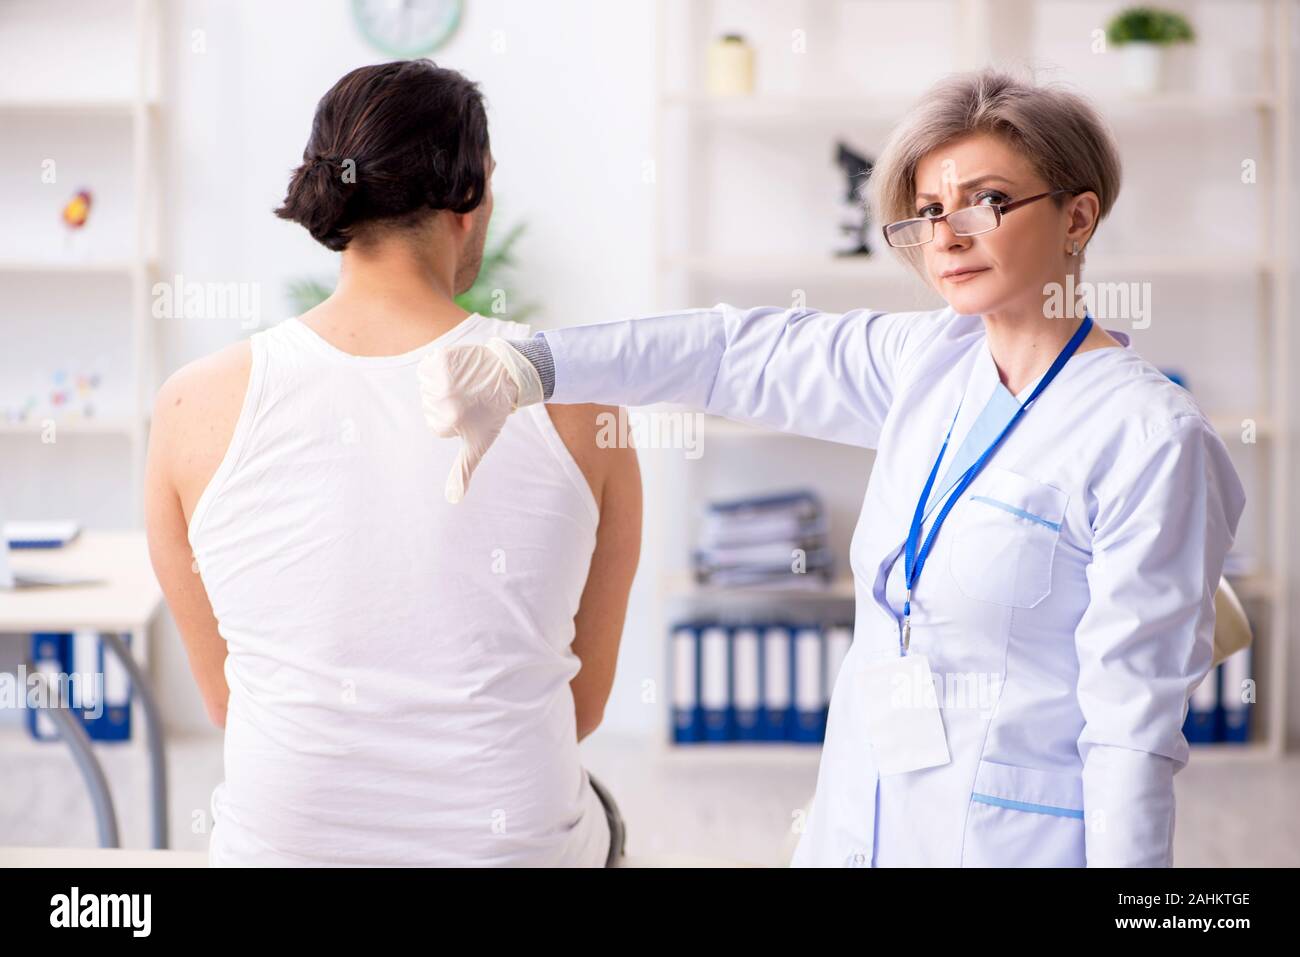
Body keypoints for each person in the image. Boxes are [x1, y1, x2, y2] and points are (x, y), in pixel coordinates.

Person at [418, 67, 1246, 867]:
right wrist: (536, 367)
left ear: (1078, 217)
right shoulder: (930, 361)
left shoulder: (1148, 437)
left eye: (987, 201)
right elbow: (731, 352)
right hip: (861, 815)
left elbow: (1130, 740)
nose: (948, 235)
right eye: (928, 210)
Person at [145, 60, 640, 866]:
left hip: (283, 851)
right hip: (513, 850)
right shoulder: (583, 403)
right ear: (472, 195)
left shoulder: (187, 408)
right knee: (600, 812)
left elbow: (227, 700)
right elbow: (578, 709)